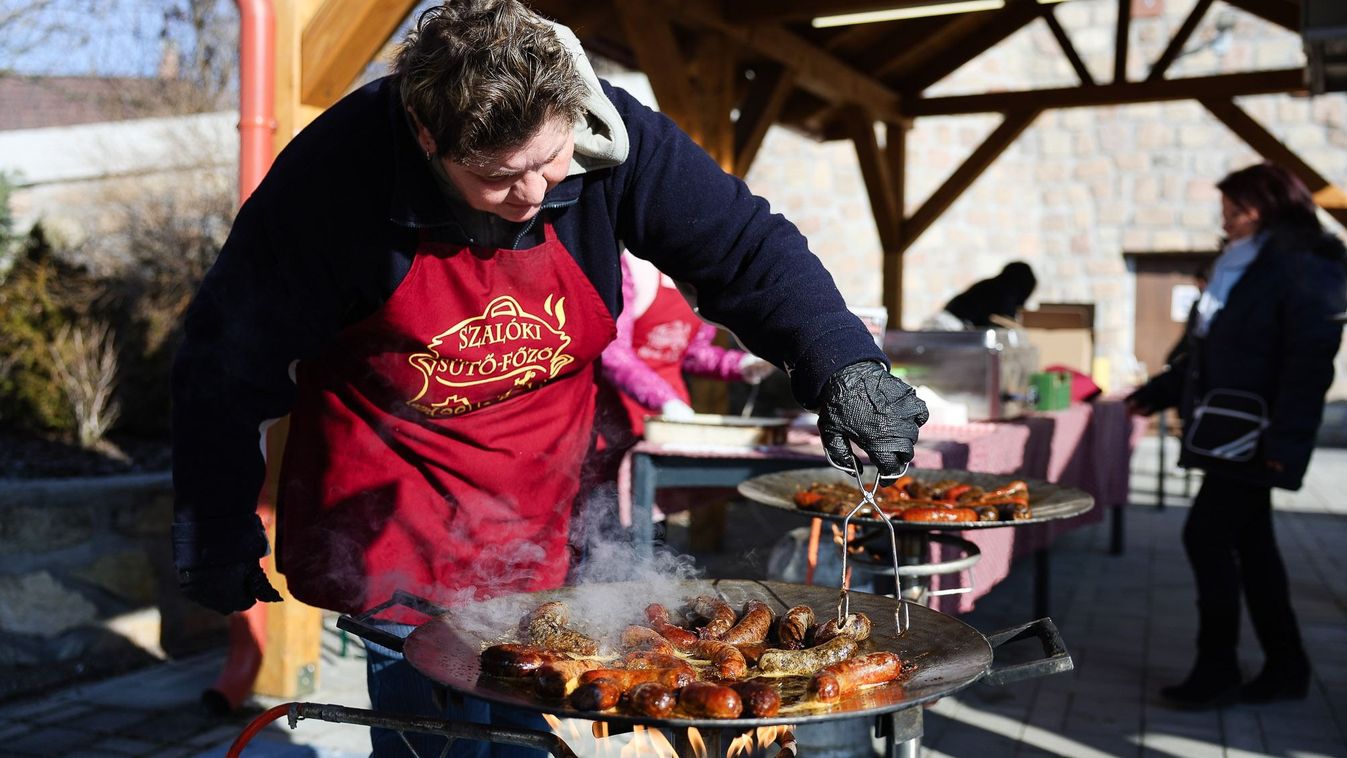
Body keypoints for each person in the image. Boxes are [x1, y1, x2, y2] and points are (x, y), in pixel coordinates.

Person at [170, 1, 929, 755]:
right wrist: (213, 523)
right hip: (393, 511)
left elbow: (743, 248)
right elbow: (225, 357)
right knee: (438, 734)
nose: (535, 194)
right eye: (499, 178)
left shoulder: (615, 135)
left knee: (526, 719)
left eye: (550, 161)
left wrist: (842, 364)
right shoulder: (334, 181)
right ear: (430, 139)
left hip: (542, 502)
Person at [1126, 162, 1346, 709]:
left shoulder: (1303, 263)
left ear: (1272, 204)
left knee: (1207, 536)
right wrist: (1159, 390)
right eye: (1224, 209)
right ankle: (1285, 665)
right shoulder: (1243, 263)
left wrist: (1285, 445)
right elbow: (1212, 354)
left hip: (1257, 437)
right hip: (1230, 431)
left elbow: (1310, 363)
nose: (1226, 220)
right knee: (1253, 547)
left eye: (1236, 209)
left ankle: (1219, 668)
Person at [922, 260, 1037, 329]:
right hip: (951, 328)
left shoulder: (990, 284)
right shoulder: (1004, 292)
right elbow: (1006, 320)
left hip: (942, 322)